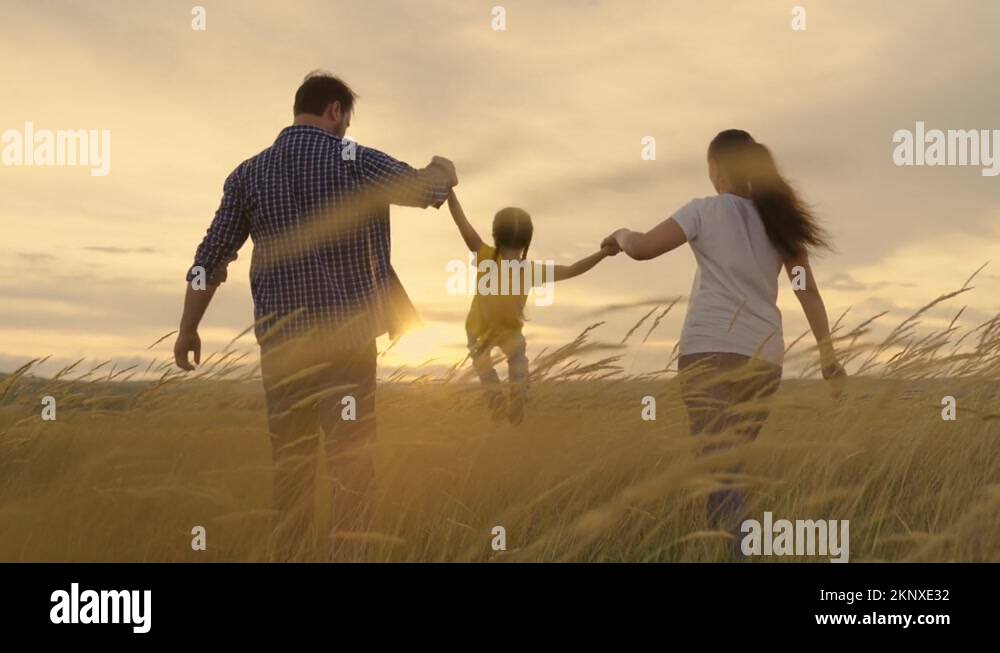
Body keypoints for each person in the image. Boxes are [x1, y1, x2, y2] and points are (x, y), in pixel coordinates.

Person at [173, 71, 458, 560]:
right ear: (335, 111)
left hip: (283, 351)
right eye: (346, 119)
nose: (346, 129)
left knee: (291, 468)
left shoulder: (248, 173)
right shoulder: (354, 159)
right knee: (353, 470)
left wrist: (188, 328)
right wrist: (443, 168)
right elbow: (426, 191)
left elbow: (209, 261)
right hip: (347, 348)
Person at [602, 129, 846, 549]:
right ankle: (724, 550)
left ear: (715, 169)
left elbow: (641, 248)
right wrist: (829, 357)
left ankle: (741, 551)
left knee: (718, 470)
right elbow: (807, 291)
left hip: (709, 354)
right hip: (765, 360)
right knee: (725, 468)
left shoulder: (704, 211)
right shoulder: (779, 223)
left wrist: (619, 234)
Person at [447, 190, 617, 424]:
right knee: (518, 363)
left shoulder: (485, 256)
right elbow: (573, 269)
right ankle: (518, 394)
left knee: (483, 364)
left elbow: (461, 221)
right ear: (527, 242)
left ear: (496, 236)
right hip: (510, 332)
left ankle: (494, 395)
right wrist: (603, 253)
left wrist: (448, 190)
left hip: (478, 329)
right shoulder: (530, 271)